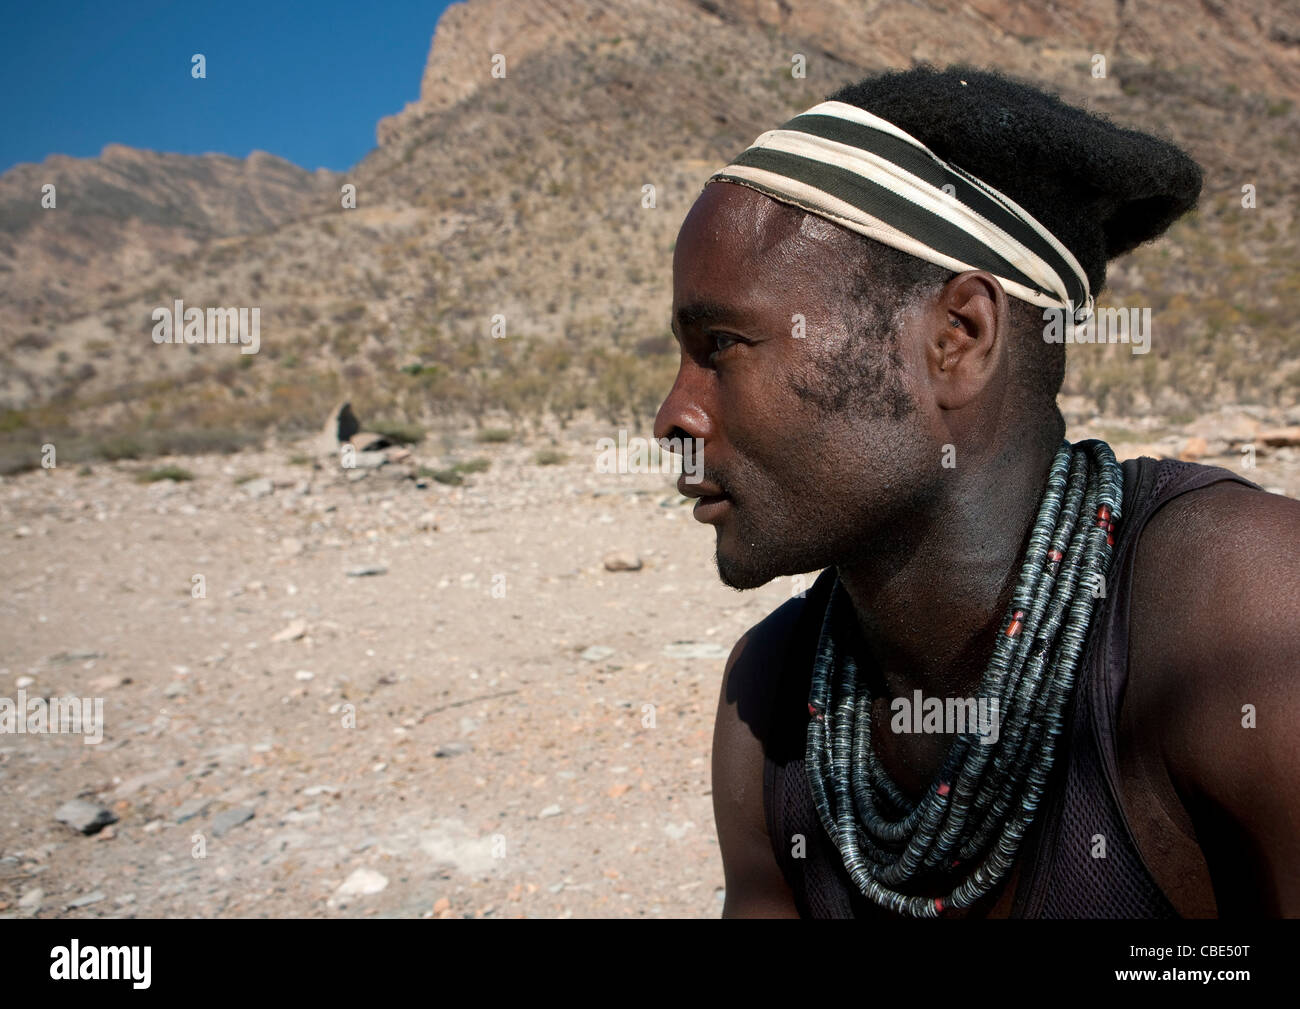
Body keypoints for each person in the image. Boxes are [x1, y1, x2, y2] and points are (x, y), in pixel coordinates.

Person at [653, 65, 1300, 918]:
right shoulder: (767, 704)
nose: (672, 416)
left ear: (958, 339)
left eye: (723, 343)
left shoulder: (1239, 607)